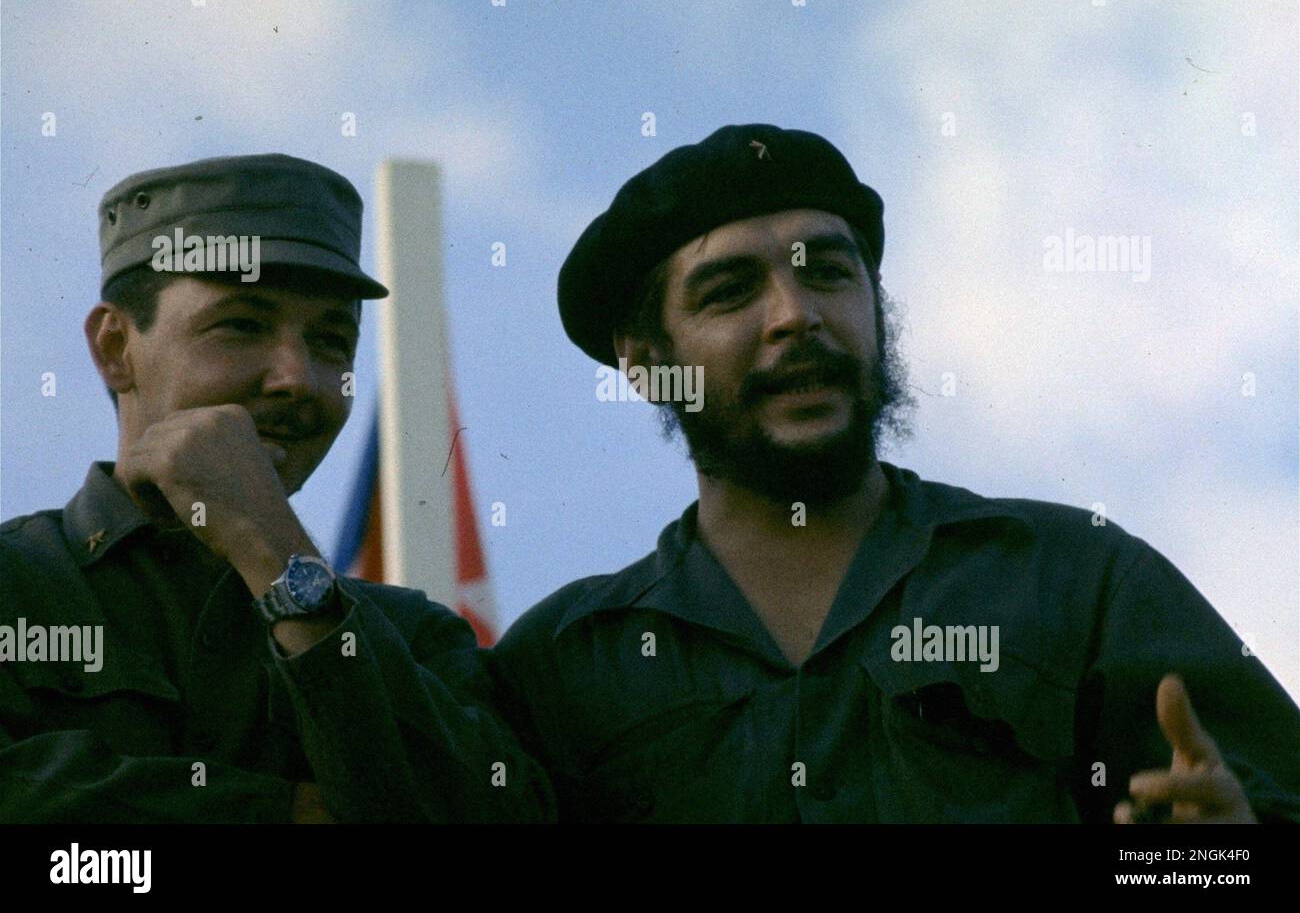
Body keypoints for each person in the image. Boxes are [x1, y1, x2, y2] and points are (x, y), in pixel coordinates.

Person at [488, 123, 1300, 823]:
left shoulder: (1075, 578)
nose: (795, 314)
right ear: (646, 360)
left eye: (828, 273)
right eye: (731, 290)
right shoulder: (558, 671)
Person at [0, 153, 553, 823]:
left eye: (331, 340)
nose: (298, 377)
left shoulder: (416, 637)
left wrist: (277, 555)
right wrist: (290, 811)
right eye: (242, 323)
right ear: (116, 347)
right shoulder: (17, 581)